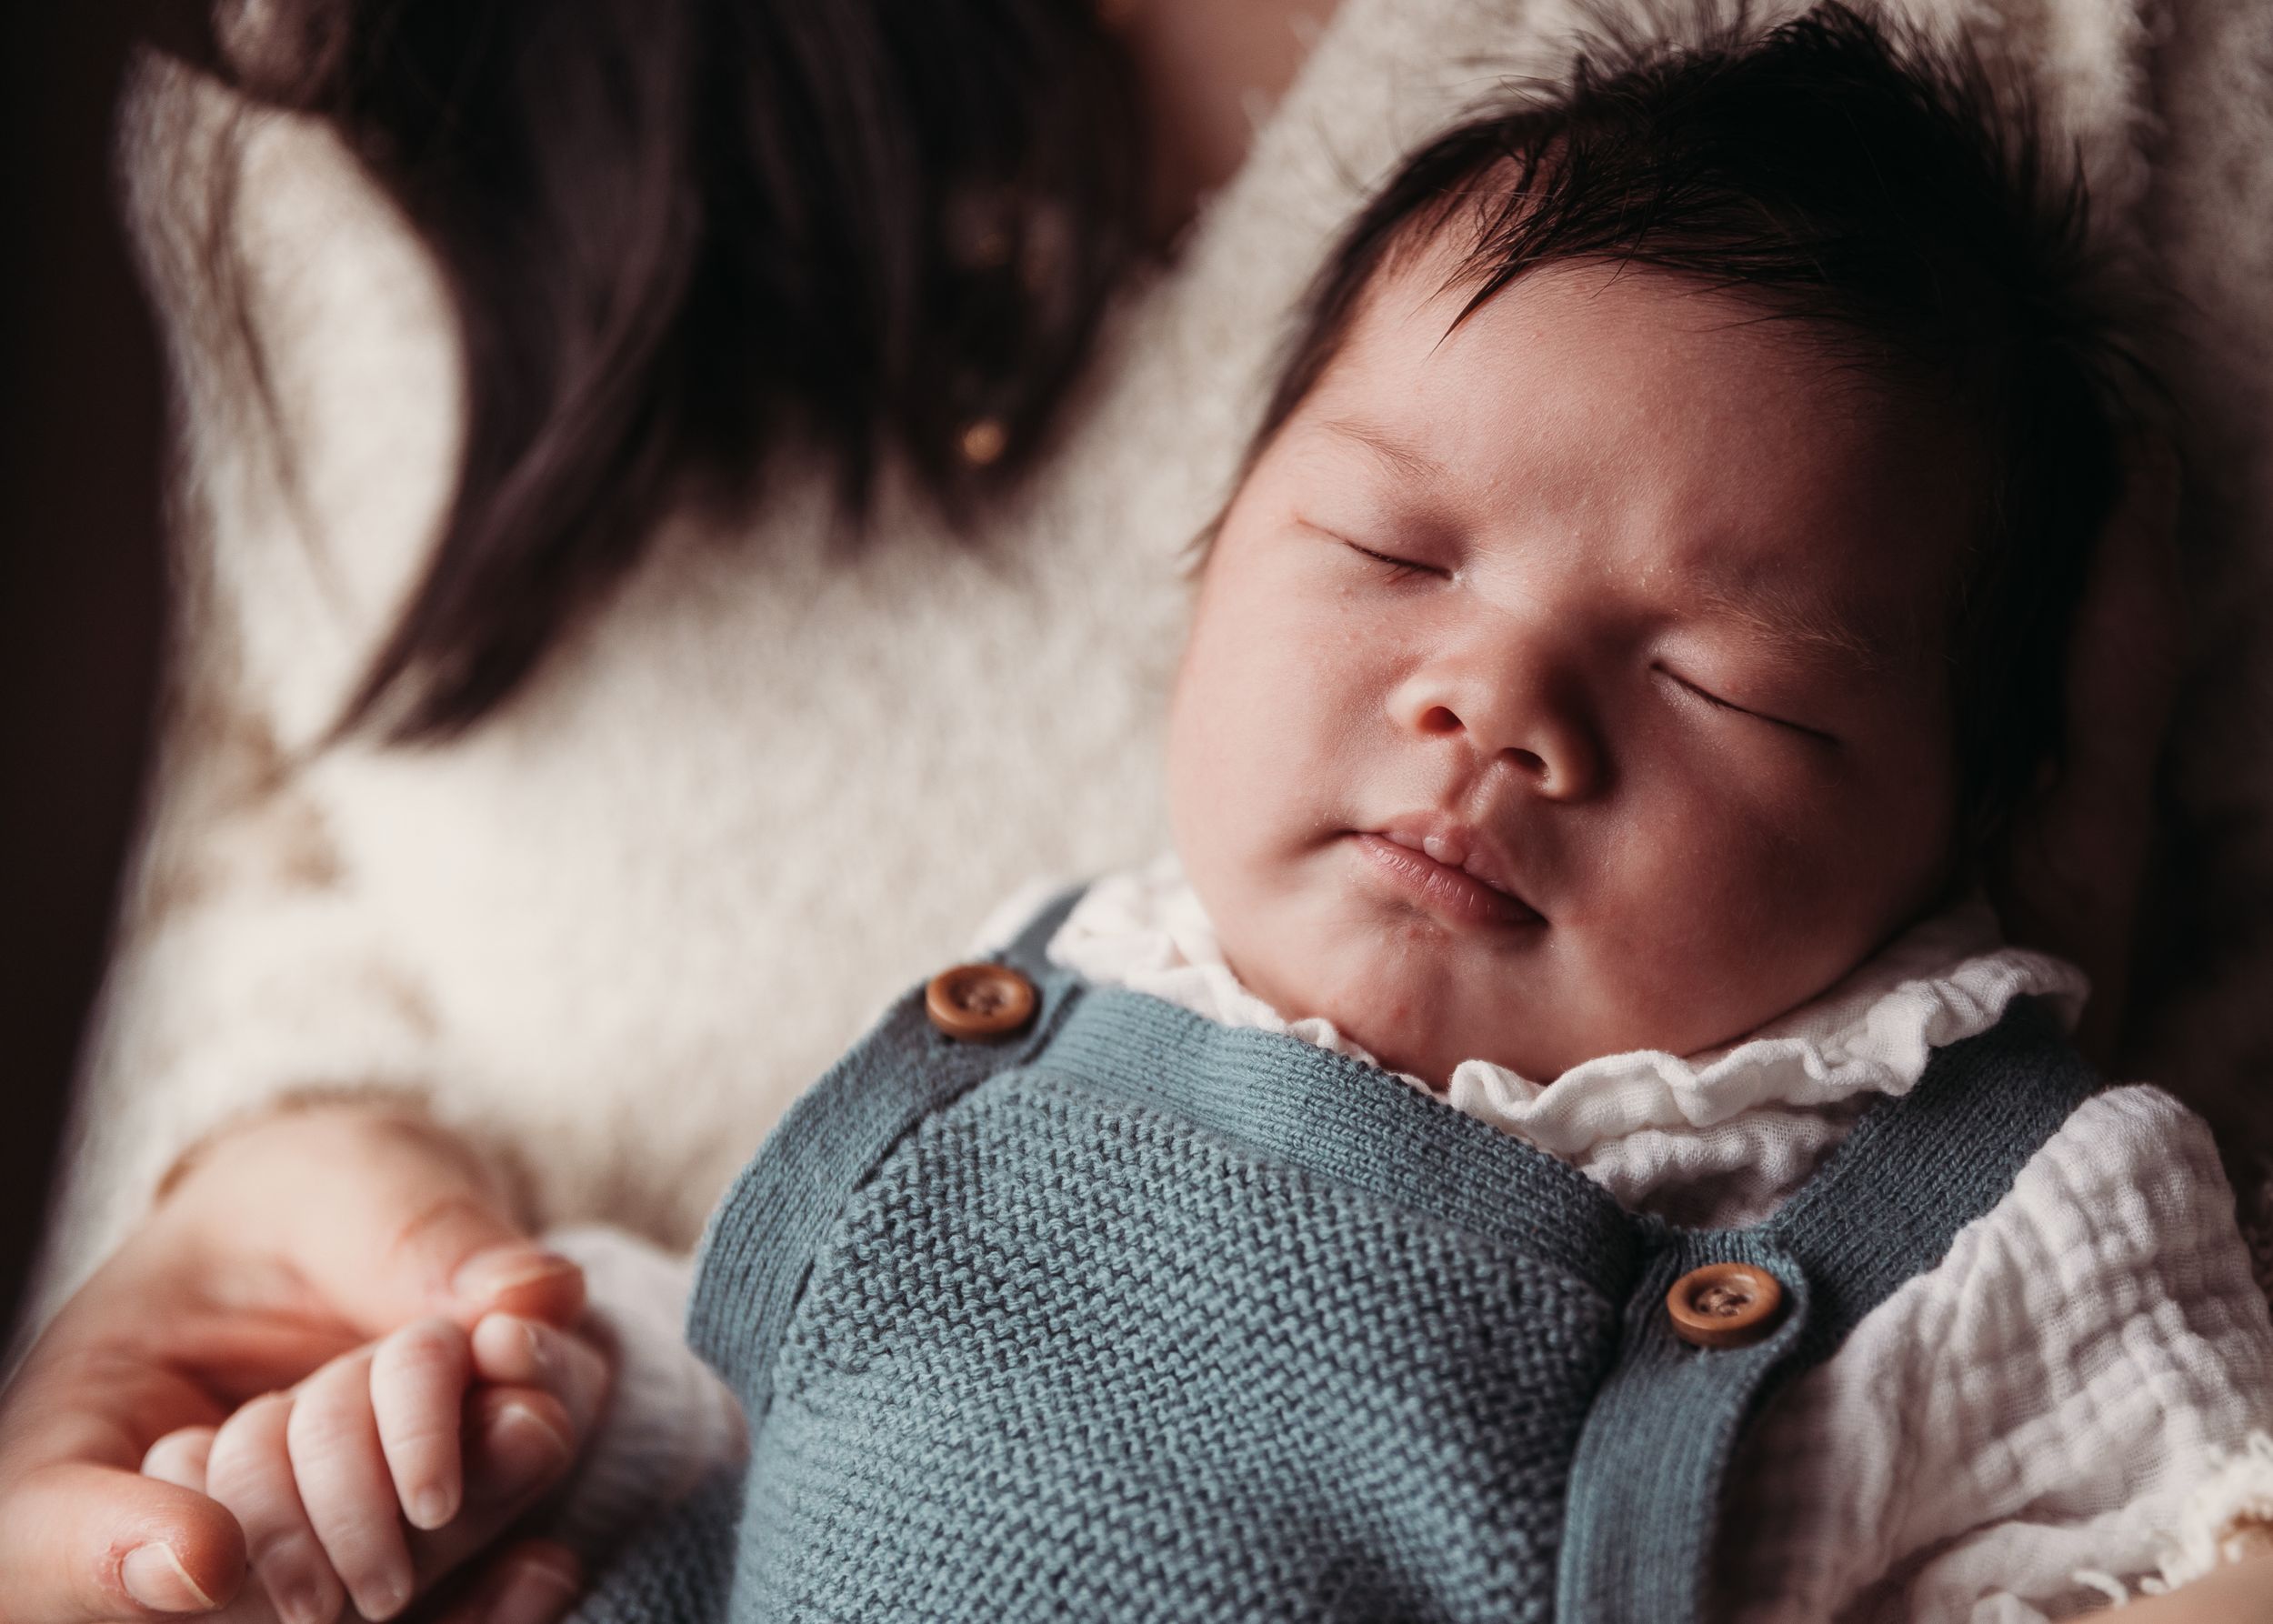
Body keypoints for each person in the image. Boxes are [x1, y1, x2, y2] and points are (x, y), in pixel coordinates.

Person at [0, 1, 2232, 1621]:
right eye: (1390, 554)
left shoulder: (1965, 1214)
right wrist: (436, 1430)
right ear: (1200, 568)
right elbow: (762, 1385)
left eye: (1714, 680)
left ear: (1964, 818)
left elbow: (2194, 1519)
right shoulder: (1056, 993)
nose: (1491, 702)